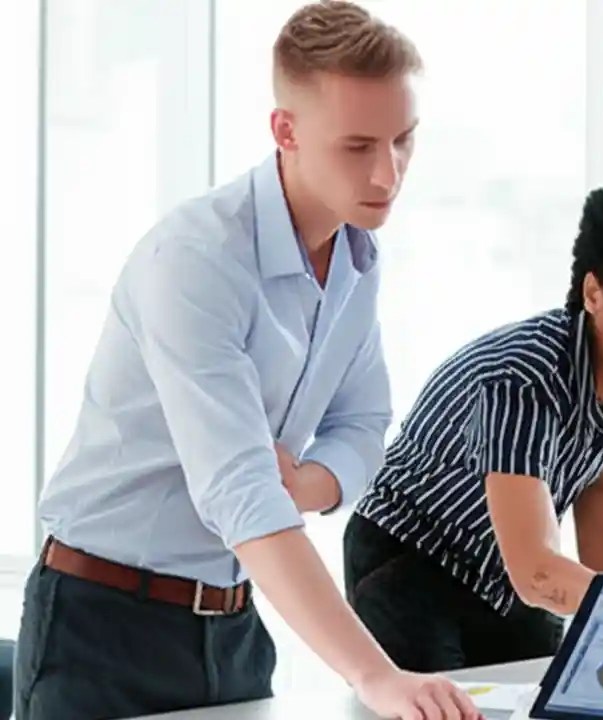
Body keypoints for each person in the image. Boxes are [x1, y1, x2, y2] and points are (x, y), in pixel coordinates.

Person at [14, 3, 478, 719]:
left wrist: (312, 483)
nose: (388, 173)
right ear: (285, 131)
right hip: (102, 622)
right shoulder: (196, 261)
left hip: (233, 624)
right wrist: (378, 675)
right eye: (357, 146)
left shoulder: (357, 256)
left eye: (403, 140)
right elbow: (241, 493)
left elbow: (364, 422)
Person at [343, 174, 603, 671]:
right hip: (411, 559)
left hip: (509, 568)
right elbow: (534, 574)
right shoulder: (523, 379)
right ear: (593, 293)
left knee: (559, 694)